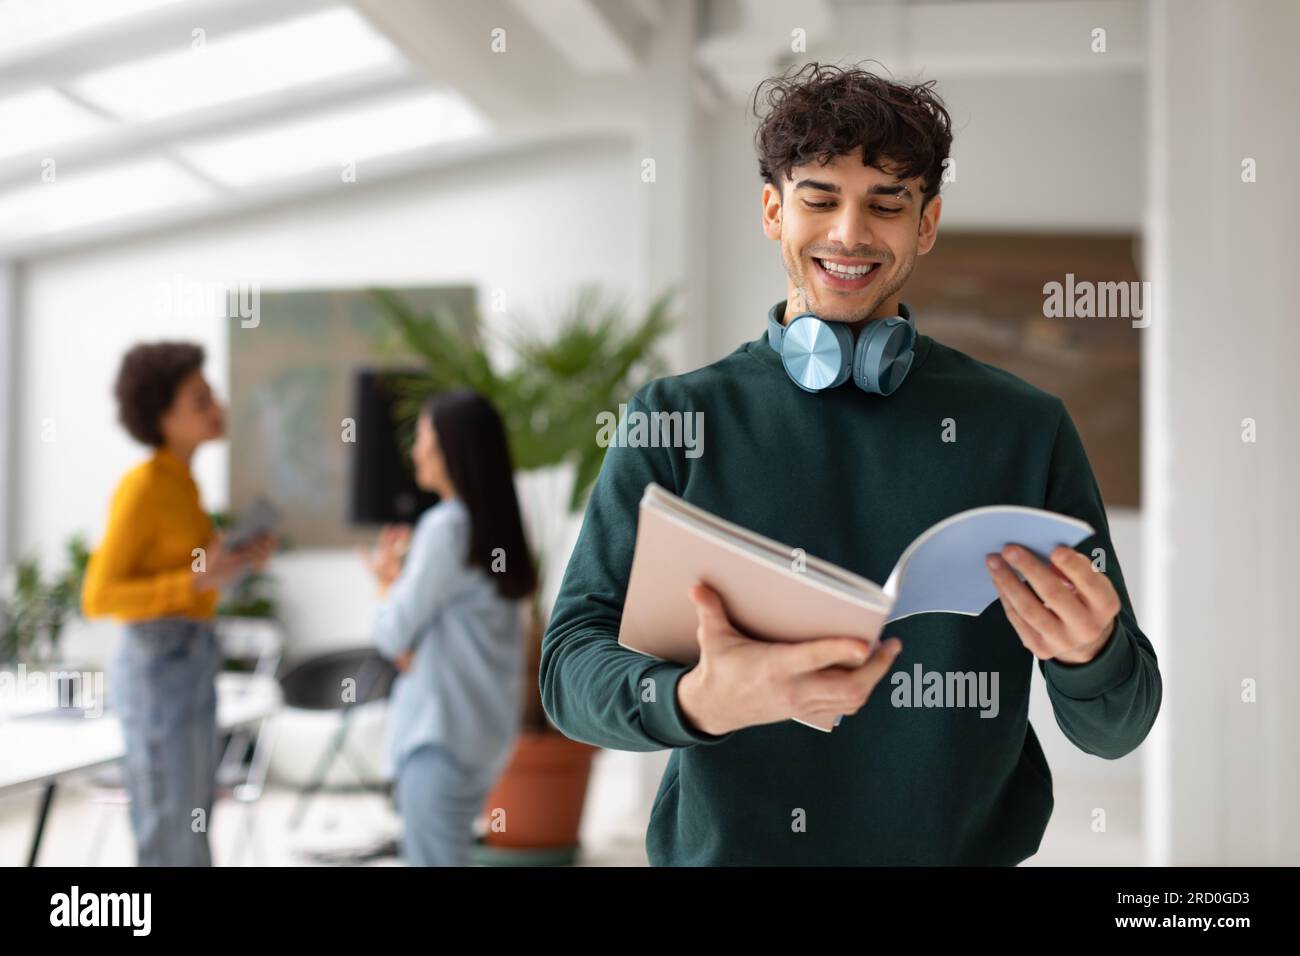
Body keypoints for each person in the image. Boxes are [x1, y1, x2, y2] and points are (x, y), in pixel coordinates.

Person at [541, 63, 1162, 865]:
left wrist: (1091, 654)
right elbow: (567, 674)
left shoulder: (1025, 429)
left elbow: (1120, 726)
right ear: (774, 209)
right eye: (820, 198)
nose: (849, 234)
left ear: (927, 223)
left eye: (886, 203)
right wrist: (694, 698)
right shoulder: (674, 419)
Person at [82, 342, 275, 866]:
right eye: (199, 401)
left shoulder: (186, 488)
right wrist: (191, 582)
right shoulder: (142, 488)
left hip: (192, 657)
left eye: (212, 397)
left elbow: (194, 582)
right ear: (161, 415)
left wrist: (233, 566)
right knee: (169, 822)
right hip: (156, 664)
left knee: (192, 817)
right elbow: (98, 596)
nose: (217, 409)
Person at [362, 389, 534, 866]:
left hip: (437, 741)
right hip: (478, 740)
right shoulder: (494, 529)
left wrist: (384, 586)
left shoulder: (445, 529)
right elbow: (429, 646)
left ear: (450, 449)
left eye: (422, 438)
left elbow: (393, 634)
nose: (415, 451)